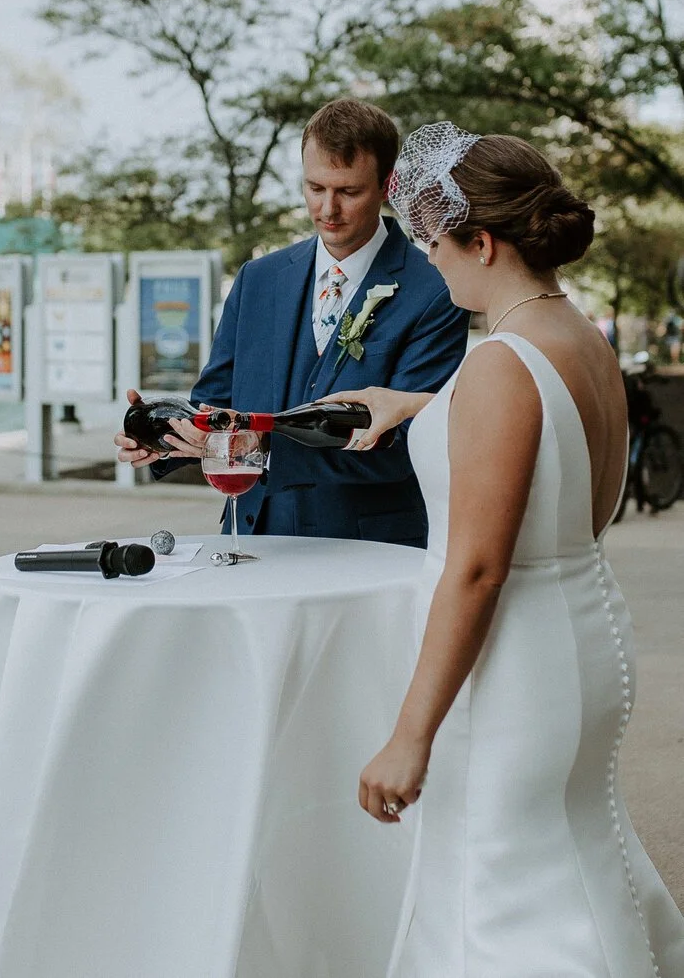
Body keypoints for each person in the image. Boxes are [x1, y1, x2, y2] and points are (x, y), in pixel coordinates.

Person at [328, 123, 684, 975]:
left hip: (513, 662)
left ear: (481, 241)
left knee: (498, 889)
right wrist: (413, 405)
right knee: (568, 854)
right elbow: (544, 449)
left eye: (435, 245)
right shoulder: (580, 340)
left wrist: (411, 734)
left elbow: (479, 568)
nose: (429, 264)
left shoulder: (498, 364)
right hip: (581, 633)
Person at [115, 99, 469, 548]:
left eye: (348, 191)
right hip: (252, 535)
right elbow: (215, 403)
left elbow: (406, 445)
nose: (328, 208)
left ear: (387, 186)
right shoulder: (257, 280)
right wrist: (164, 439)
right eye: (314, 187)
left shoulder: (436, 290)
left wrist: (255, 453)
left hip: (371, 548)